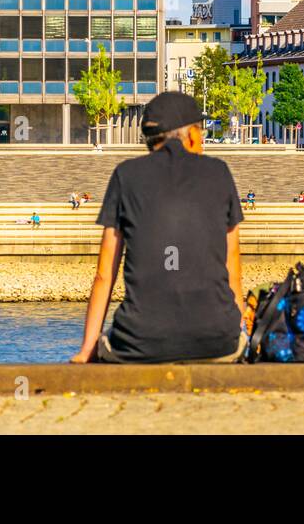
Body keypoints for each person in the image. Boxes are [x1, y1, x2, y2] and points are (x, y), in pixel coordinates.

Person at [71, 92, 246, 364]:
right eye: (201, 134)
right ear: (190, 136)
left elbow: (104, 275)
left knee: (109, 342)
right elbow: (232, 264)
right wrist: (238, 331)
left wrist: (87, 349)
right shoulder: (219, 172)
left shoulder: (126, 175)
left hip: (138, 342)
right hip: (217, 342)